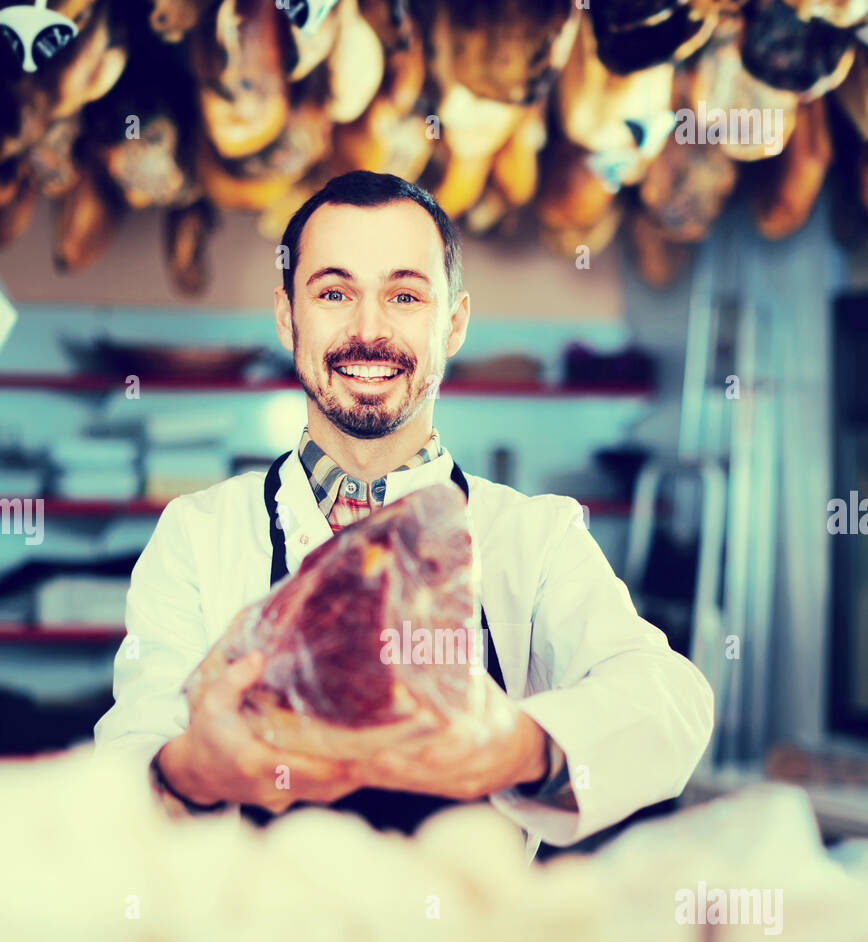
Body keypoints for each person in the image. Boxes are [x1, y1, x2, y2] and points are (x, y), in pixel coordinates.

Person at [94, 170, 713, 859]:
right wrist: (189, 771)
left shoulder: (534, 536)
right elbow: (125, 759)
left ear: (453, 323)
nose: (368, 329)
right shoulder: (196, 531)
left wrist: (516, 747)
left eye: (405, 295)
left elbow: (669, 702)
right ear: (286, 316)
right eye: (334, 293)